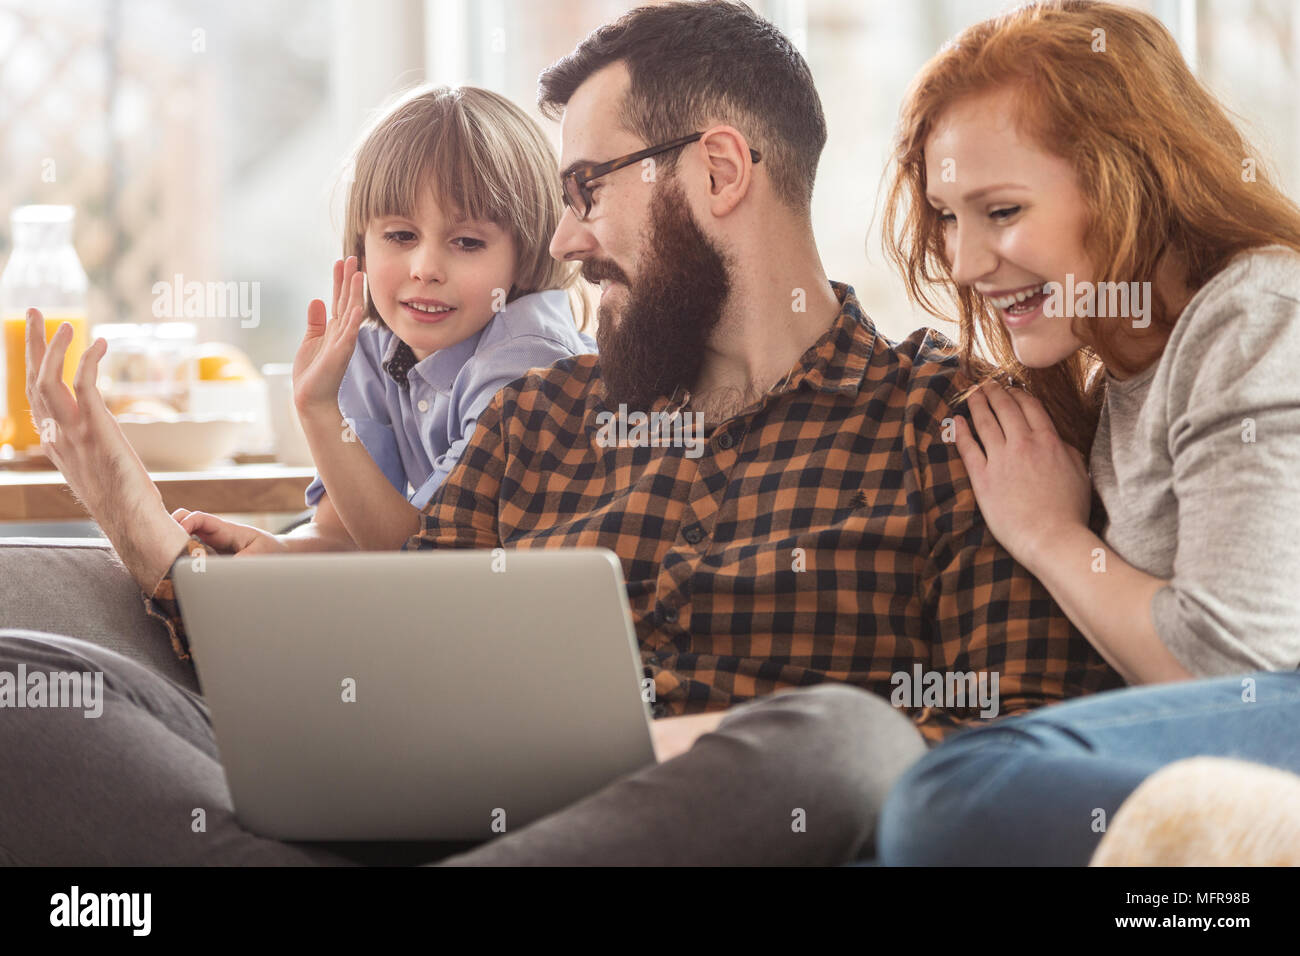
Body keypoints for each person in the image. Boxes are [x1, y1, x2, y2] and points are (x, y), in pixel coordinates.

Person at [5, 0, 1116, 866]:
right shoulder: (541, 421)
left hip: (725, 826)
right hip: (429, 821)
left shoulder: (951, 429)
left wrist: (650, 760)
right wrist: (127, 507)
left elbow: (1014, 760)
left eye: (587, 187)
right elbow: (364, 667)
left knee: (840, 742)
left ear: (719, 171)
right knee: (32, 683)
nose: (568, 236)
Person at [875, 0, 1300, 866]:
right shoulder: (1112, 382)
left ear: (1126, 179)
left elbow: (1238, 671)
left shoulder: (1256, 315)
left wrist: (1048, 535)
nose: (962, 262)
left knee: (955, 792)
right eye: (950, 217)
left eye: (1001, 211)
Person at [175, 84, 594, 561]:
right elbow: (345, 534)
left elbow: (421, 554)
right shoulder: (374, 348)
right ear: (362, 244)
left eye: (468, 242)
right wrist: (274, 549)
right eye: (400, 235)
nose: (425, 267)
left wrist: (318, 411)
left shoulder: (528, 360)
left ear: (527, 254)